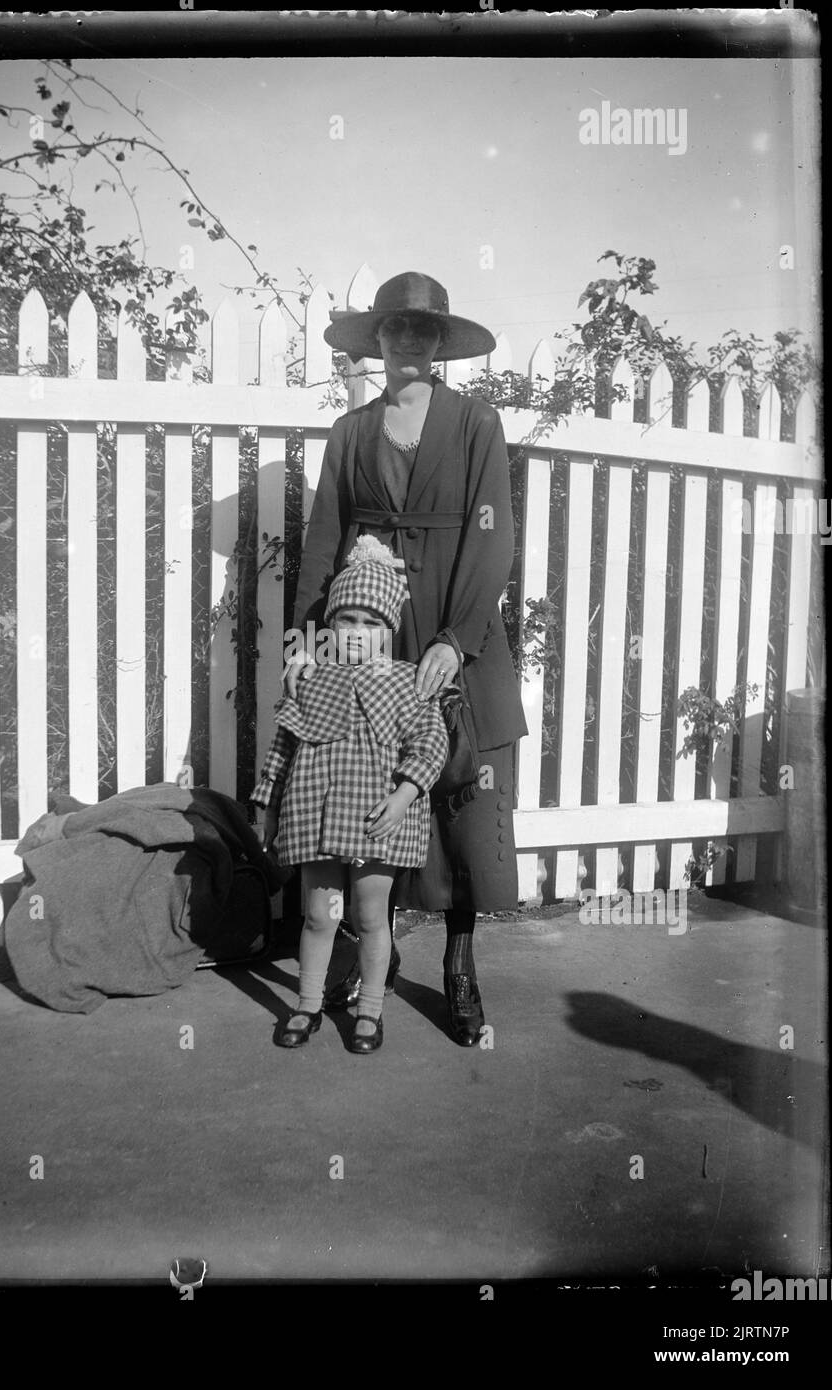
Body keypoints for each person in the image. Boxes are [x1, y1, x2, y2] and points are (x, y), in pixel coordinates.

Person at [282, 270, 528, 1046]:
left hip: (456, 634)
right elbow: (324, 538)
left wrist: (457, 640)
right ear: (377, 341)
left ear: (441, 344)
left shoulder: (475, 423)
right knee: (361, 795)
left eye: (424, 331)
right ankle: (358, 970)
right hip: (368, 641)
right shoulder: (351, 433)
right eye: (395, 329)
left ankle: (459, 967)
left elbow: (493, 537)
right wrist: (305, 640)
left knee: (461, 794)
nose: (409, 342)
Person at [250, 537, 449, 1054]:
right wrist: (266, 806)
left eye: (370, 622)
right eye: (346, 620)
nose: (357, 632)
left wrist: (404, 796)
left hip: (372, 821)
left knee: (368, 916)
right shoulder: (310, 678)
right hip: (316, 818)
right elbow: (282, 747)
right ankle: (307, 1005)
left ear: (389, 629)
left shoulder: (407, 683)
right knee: (320, 915)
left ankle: (370, 1012)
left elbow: (431, 742)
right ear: (330, 624)